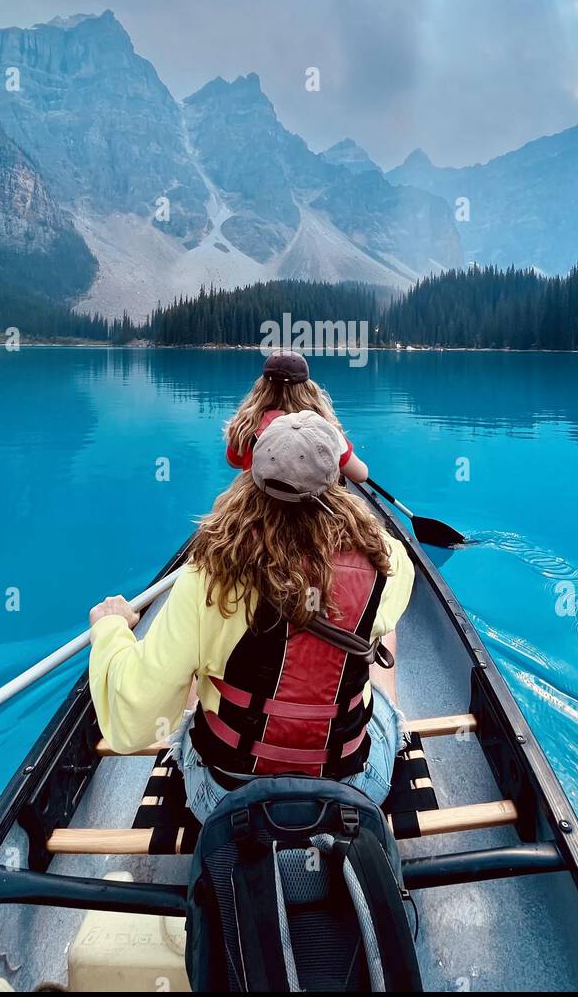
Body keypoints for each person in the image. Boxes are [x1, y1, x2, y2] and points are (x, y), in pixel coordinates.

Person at [88, 411, 414, 822]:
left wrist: (111, 629)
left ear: (252, 480)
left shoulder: (205, 576)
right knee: (379, 644)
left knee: (198, 667)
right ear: (336, 485)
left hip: (227, 799)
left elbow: (134, 722)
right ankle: (388, 713)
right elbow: (379, 565)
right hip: (353, 787)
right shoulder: (388, 563)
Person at [224, 351, 369, 482]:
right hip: (312, 507)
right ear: (307, 388)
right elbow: (360, 475)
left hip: (257, 504)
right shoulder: (324, 428)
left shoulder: (246, 426)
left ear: (261, 387)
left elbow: (233, 462)